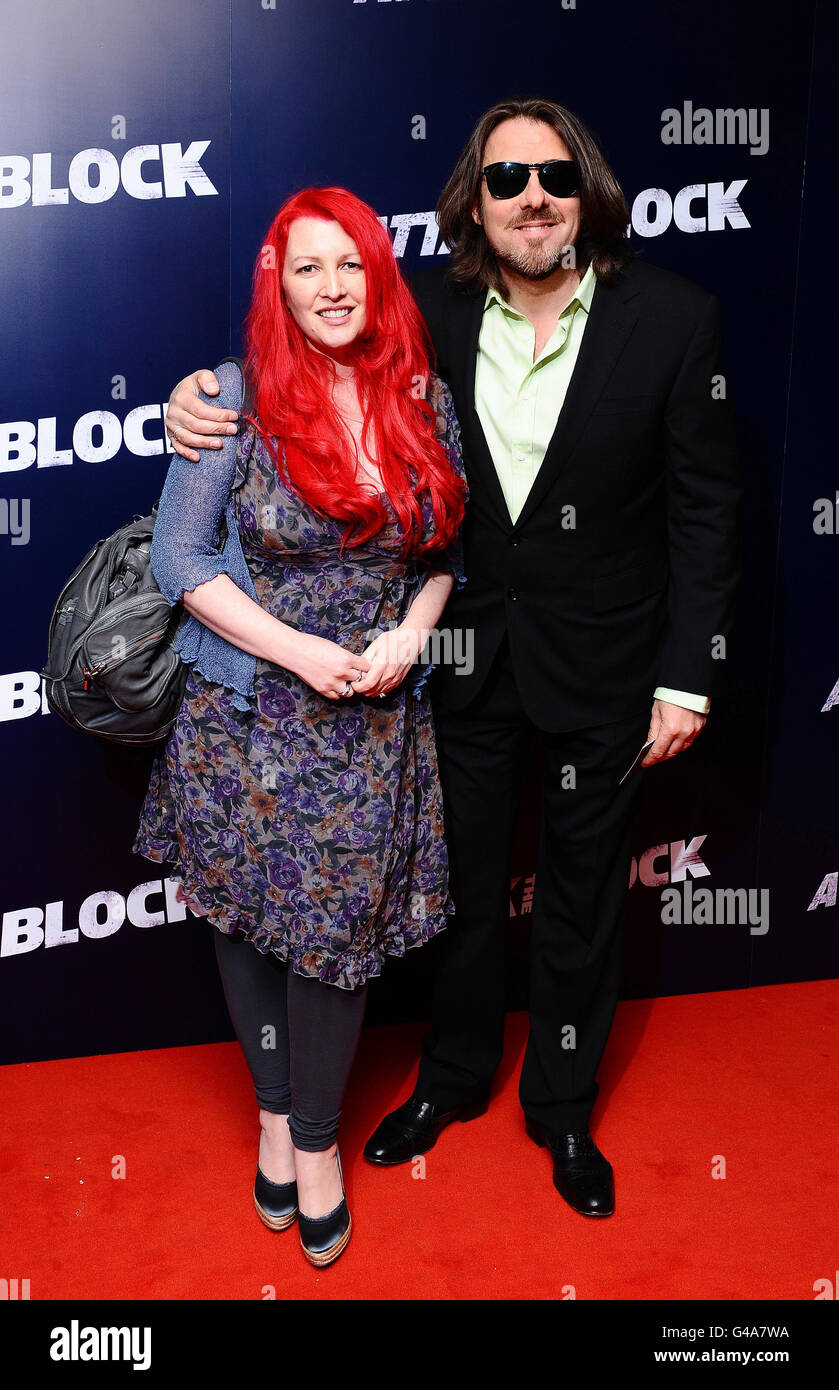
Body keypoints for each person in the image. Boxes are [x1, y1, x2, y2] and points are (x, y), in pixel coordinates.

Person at [163, 96, 741, 1220]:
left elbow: (704, 514)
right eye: (506, 178)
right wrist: (193, 400)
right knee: (464, 892)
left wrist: (688, 674)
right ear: (473, 202)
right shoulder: (416, 308)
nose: (533, 198)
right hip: (462, 662)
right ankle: (451, 1078)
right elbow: (292, 355)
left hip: (607, 666)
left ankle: (563, 1110)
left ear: (588, 195)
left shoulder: (674, 319)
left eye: (556, 178)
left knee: (580, 900)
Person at [134, 185, 468, 1267]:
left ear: (379, 278)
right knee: (245, 923)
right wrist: (300, 651)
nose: (330, 287)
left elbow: (440, 557)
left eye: (351, 265)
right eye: (307, 266)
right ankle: (275, 1118)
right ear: (276, 282)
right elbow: (178, 560)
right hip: (250, 716)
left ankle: (313, 1144)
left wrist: (413, 632)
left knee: (335, 947)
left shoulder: (420, 394)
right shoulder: (230, 400)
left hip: (370, 726)